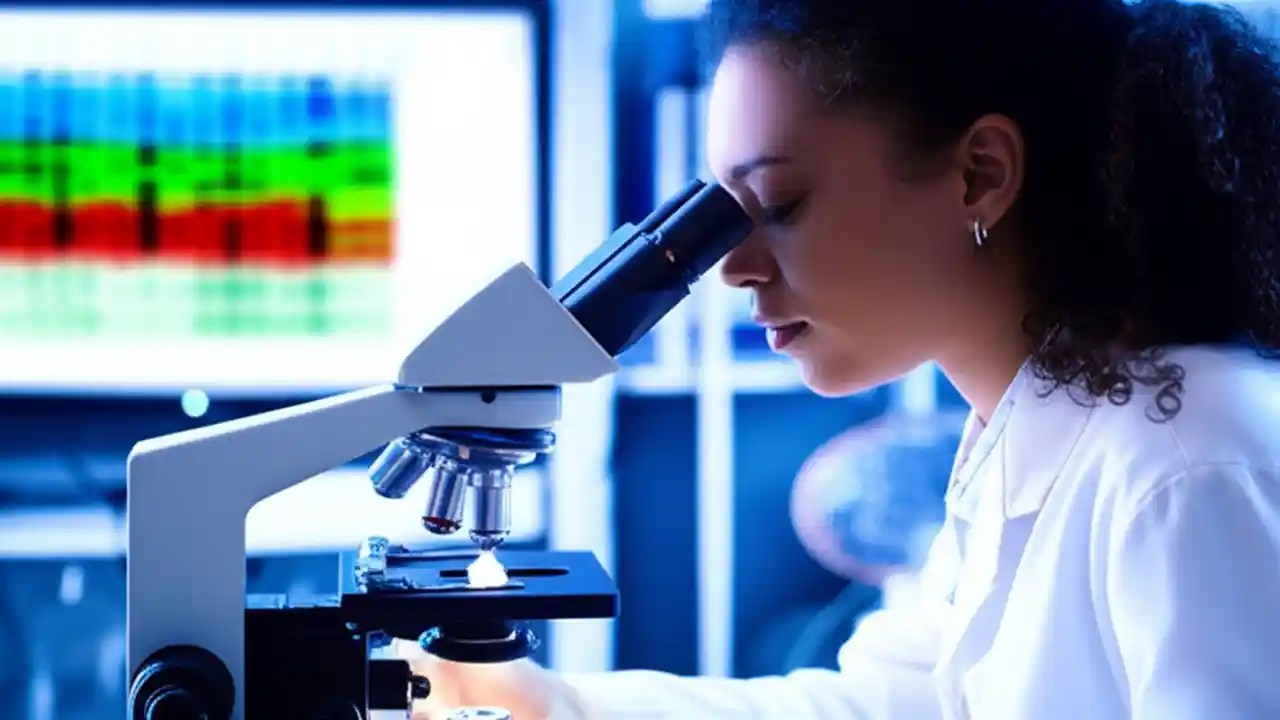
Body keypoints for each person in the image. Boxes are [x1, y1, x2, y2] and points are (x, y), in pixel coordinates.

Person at [407, 0, 1280, 717]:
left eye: (776, 202)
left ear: (979, 174)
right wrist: (546, 703)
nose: (734, 269)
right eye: (721, 218)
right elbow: (889, 706)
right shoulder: (1024, 430)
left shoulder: (1188, 462)